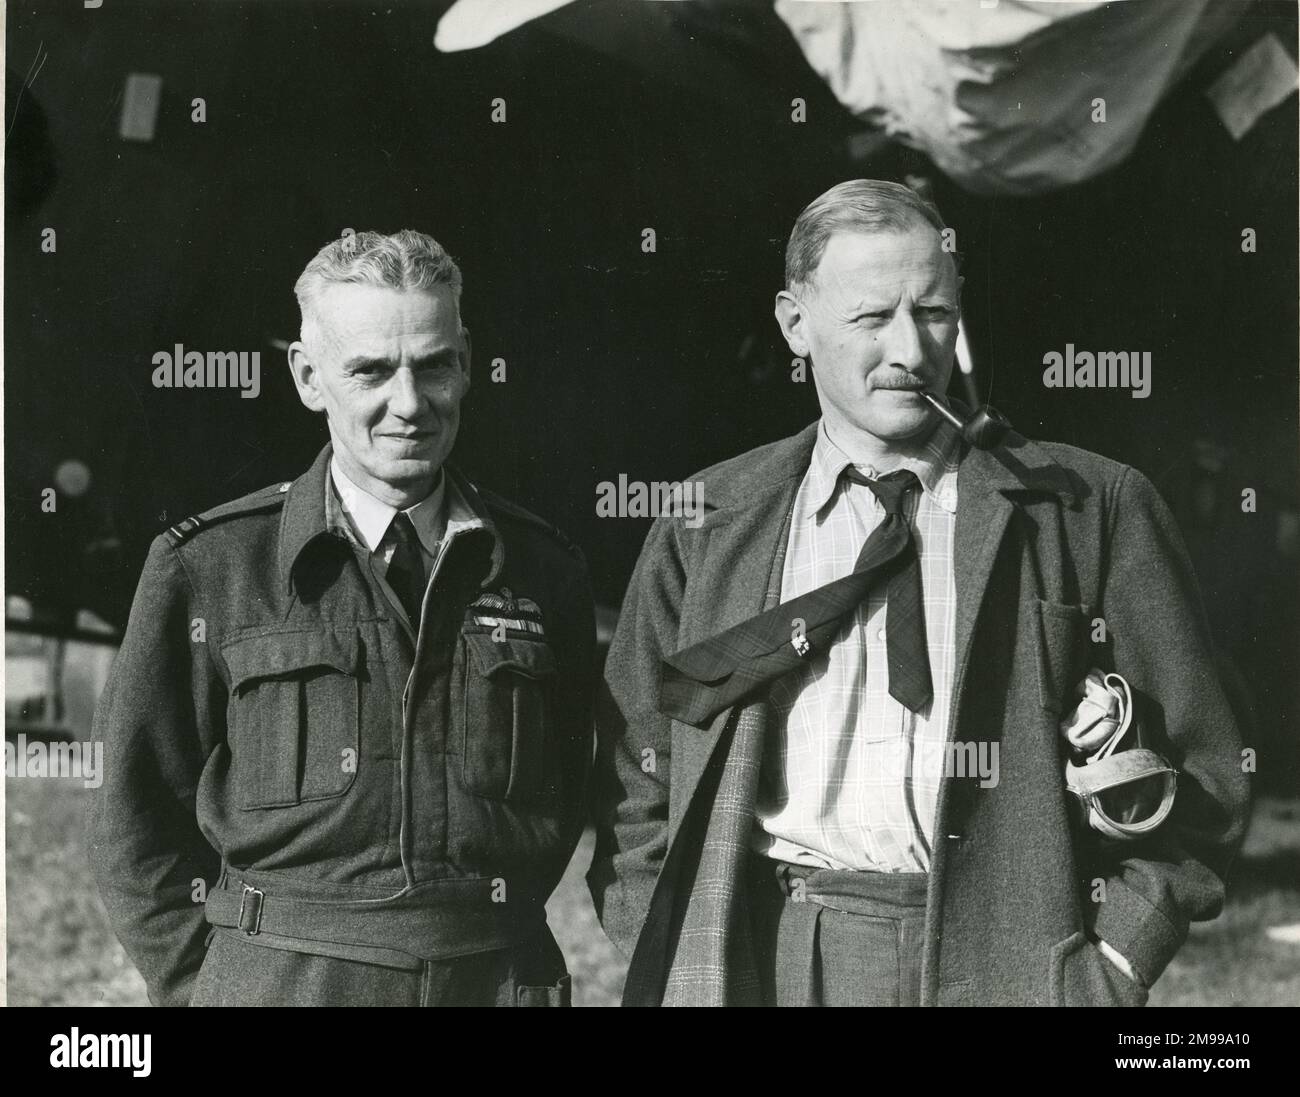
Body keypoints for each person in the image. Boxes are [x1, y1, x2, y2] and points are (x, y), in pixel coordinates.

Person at [588, 179, 1249, 1007]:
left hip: (1014, 965)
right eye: (872, 317)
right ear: (796, 325)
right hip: (772, 955)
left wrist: (1111, 962)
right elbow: (634, 771)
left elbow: (1208, 764)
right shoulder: (707, 521)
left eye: (933, 312)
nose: (909, 347)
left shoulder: (1088, 507)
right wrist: (677, 940)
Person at [88, 229, 595, 1006]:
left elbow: (559, 803)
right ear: (307, 376)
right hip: (287, 983)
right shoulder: (210, 567)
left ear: (465, 361)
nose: (409, 403)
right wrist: (217, 989)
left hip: (494, 979)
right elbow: (137, 824)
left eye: (433, 365)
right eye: (370, 370)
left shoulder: (540, 569)